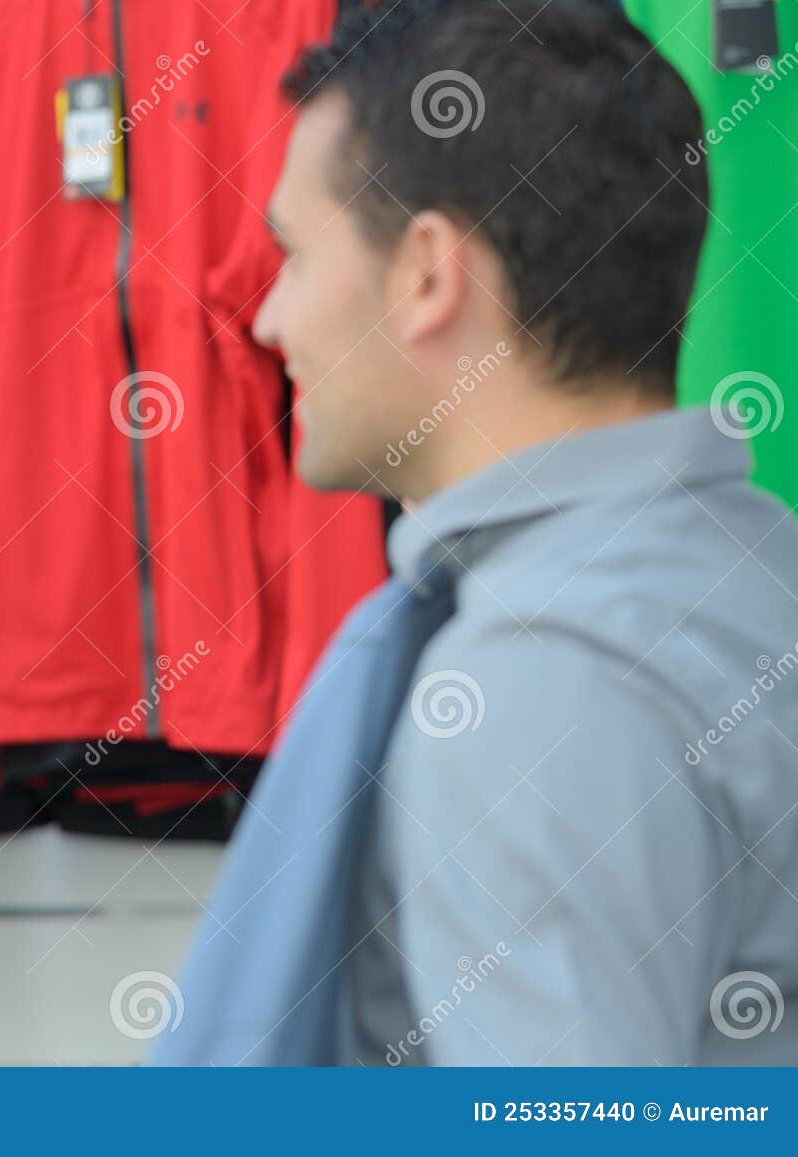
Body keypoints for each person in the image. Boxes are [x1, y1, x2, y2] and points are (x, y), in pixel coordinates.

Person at [156, 0, 798, 1065]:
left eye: (292, 256)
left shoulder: (540, 674)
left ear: (425, 275)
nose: (267, 318)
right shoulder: (750, 558)